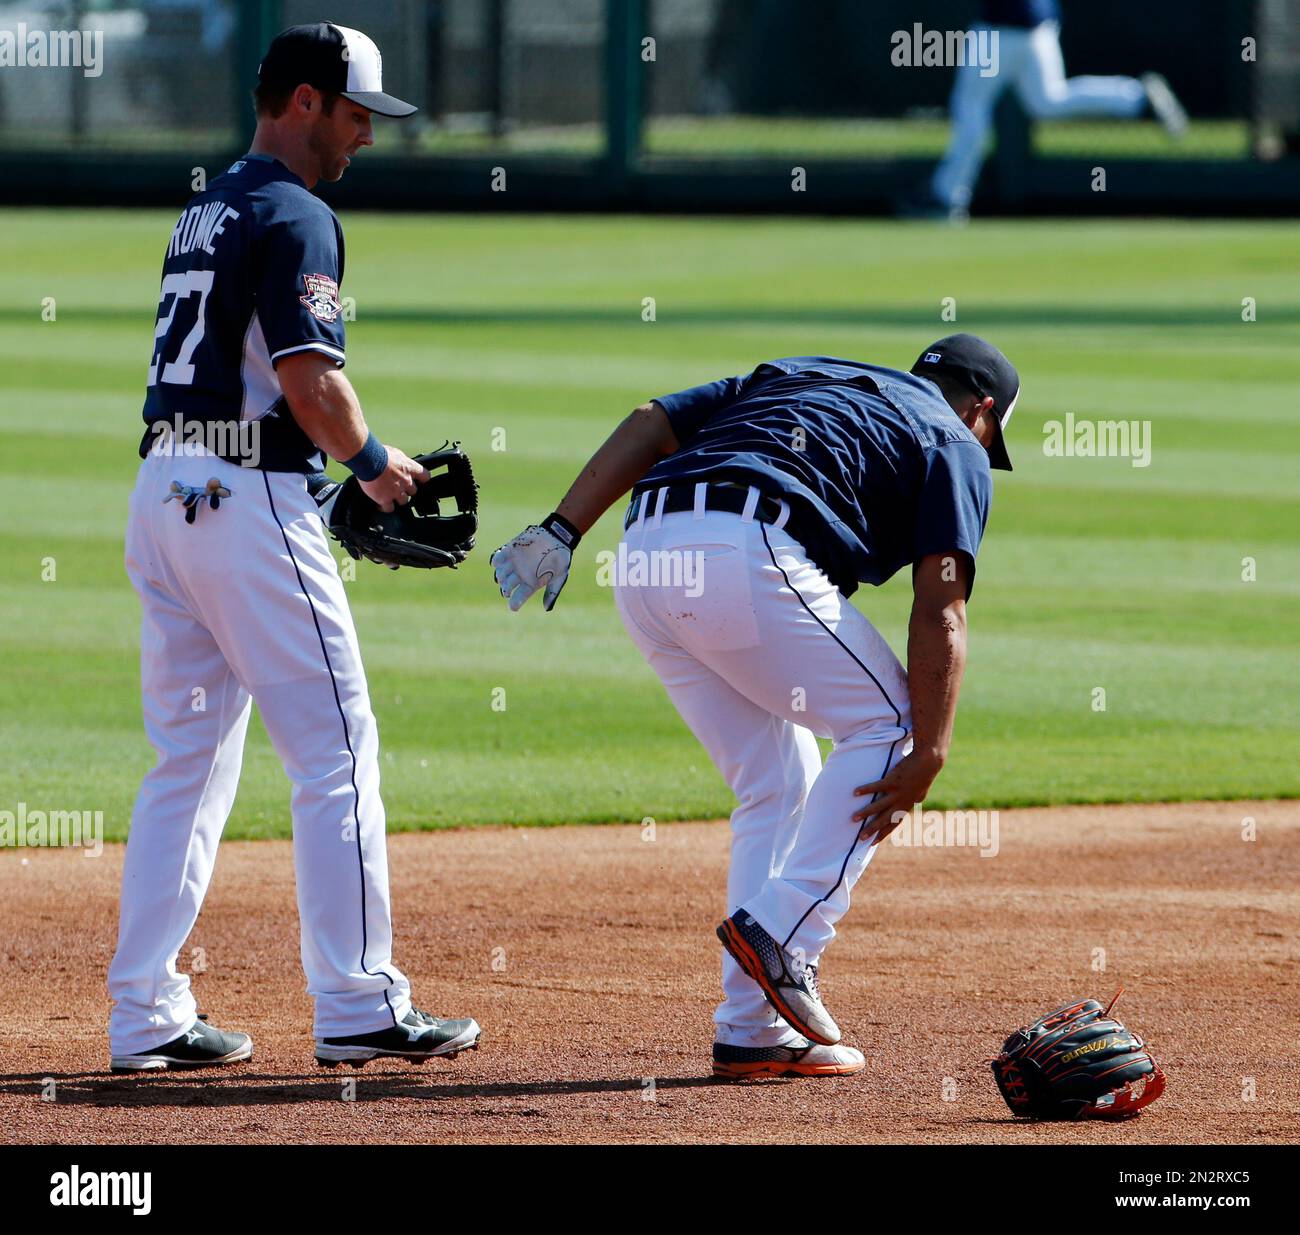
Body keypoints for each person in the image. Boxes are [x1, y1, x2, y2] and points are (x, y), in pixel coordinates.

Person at [491, 335, 1017, 1079]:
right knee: (896, 723)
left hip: (644, 557)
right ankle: (786, 931)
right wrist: (931, 749)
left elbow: (650, 420)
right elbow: (941, 607)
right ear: (984, 411)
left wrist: (562, 527)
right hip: (745, 548)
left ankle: (753, 1027)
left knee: (775, 780)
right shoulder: (954, 442)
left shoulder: (809, 371)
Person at [109, 22, 481, 1072]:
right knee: (336, 746)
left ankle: (145, 1010)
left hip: (166, 486)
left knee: (185, 760)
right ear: (306, 101)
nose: (367, 135)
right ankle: (359, 1001)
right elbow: (314, 385)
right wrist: (372, 462)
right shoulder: (295, 210)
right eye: (359, 113)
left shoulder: (209, 204)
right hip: (245, 496)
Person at [911, 0, 1189, 221]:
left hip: (997, 33)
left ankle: (946, 198)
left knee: (971, 108)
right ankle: (1136, 97)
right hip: (1039, 31)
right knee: (1049, 99)